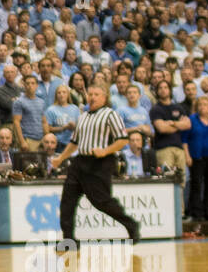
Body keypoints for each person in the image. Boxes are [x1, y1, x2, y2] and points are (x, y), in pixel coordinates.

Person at [49, 84, 140, 247]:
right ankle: (69, 240)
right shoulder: (83, 116)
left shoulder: (110, 114)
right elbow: (74, 142)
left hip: (99, 163)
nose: (92, 97)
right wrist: (61, 158)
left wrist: (105, 151)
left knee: (101, 202)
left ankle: (131, 224)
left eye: (96, 94)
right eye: (90, 94)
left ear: (104, 98)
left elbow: (123, 140)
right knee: (67, 201)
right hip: (79, 163)